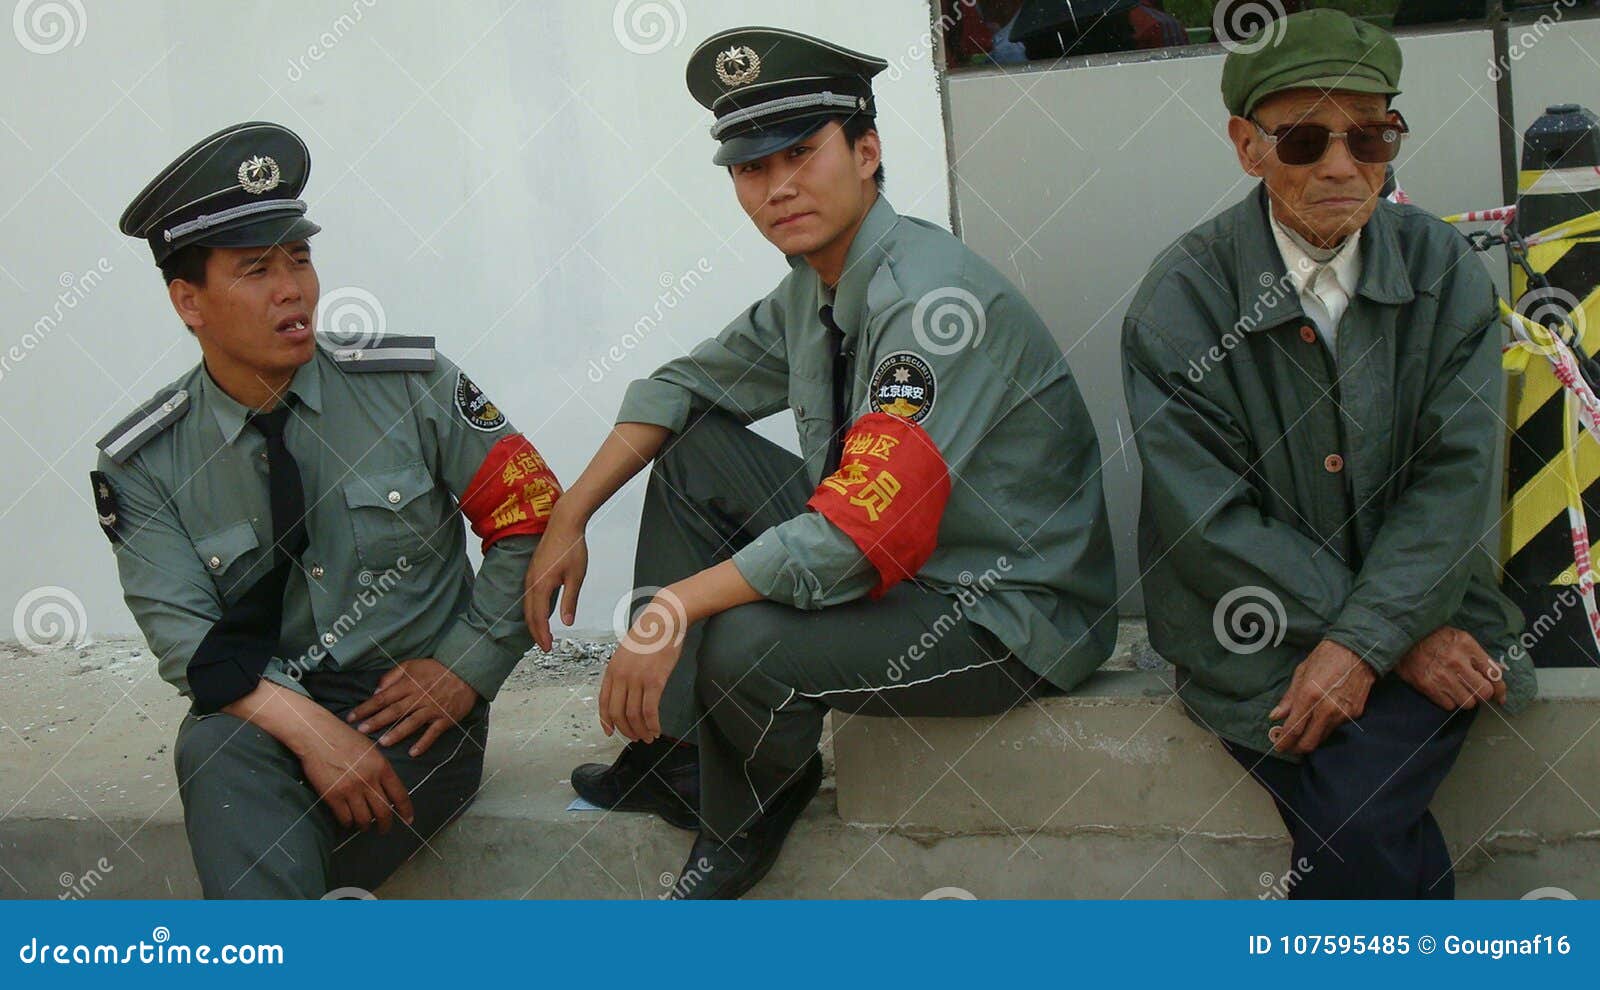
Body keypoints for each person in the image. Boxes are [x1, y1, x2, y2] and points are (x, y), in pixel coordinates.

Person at [525, 27, 1117, 899]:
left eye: (802, 153)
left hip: (1000, 609)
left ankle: (759, 796)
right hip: (901, 562)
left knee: (743, 637)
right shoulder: (817, 284)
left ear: (867, 151)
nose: (780, 186)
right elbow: (683, 387)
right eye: (752, 169)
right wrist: (567, 517)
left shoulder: (928, 303)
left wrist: (671, 611)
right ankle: (682, 753)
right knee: (697, 456)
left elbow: (850, 535)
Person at [1120, 9, 1534, 899]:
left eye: (1373, 134)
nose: (1345, 166)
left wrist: (1367, 640)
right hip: (1259, 638)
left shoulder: (1444, 271)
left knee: (1351, 817)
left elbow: (1455, 480)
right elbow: (1210, 522)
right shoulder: (1180, 302)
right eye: (1306, 139)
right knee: (1361, 818)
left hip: (1425, 615)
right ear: (1247, 146)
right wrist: (1384, 640)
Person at [96, 121, 561, 898]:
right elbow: (190, 642)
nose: (294, 290)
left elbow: (532, 518)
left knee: (260, 869)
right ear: (189, 301)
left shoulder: (409, 384)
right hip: (270, 706)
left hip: (412, 708)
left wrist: (464, 666)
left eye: (300, 260)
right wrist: (311, 730)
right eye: (255, 270)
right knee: (213, 749)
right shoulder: (144, 462)